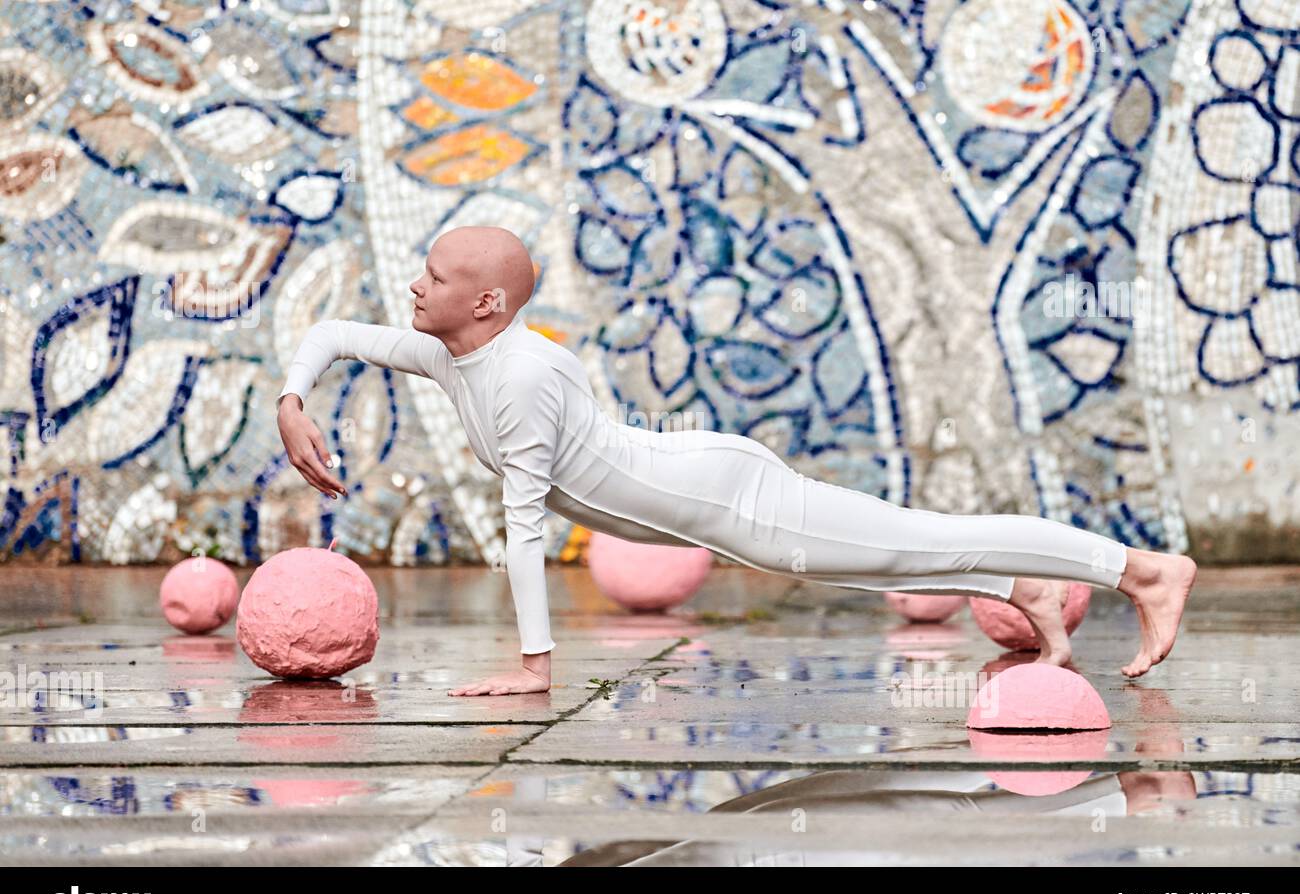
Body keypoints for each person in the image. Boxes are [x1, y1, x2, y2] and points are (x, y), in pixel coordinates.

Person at [275, 226, 1198, 697]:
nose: (414, 287)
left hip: (730, 498)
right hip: (709, 496)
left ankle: (1143, 572)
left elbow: (524, 530)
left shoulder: (515, 378)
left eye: (434, 277)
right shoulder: (455, 352)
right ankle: (1020, 586)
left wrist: (534, 666)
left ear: (485, 304)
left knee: (918, 542)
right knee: (895, 557)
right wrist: (292, 401)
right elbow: (332, 331)